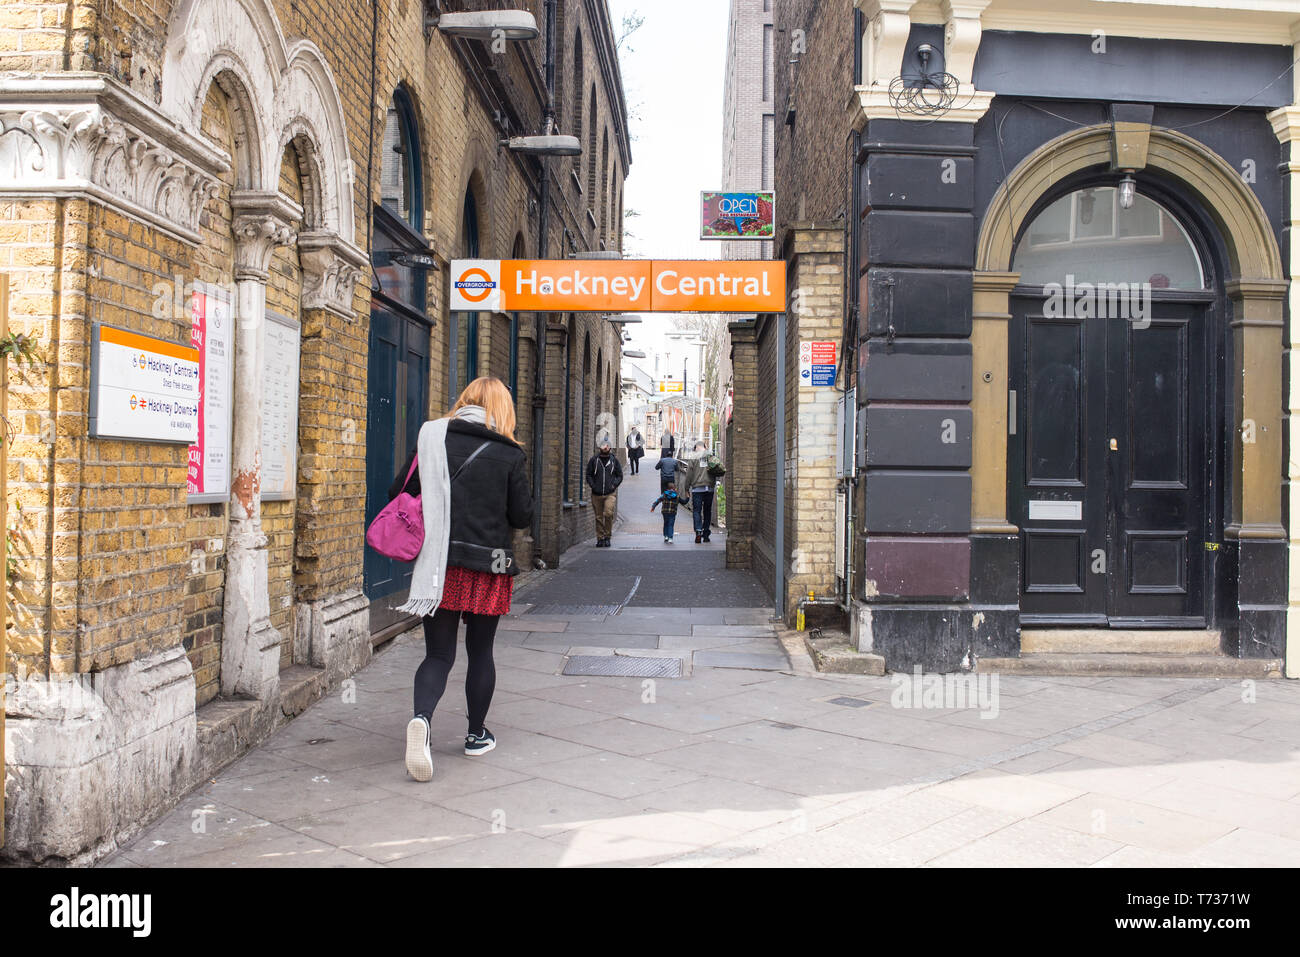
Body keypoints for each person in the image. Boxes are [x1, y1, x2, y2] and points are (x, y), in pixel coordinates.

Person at [390, 376, 532, 782]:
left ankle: (422, 719)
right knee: (480, 651)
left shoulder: (432, 438)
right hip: (490, 566)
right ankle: (475, 735)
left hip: (441, 565)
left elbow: (397, 490)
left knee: (438, 655)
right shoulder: (509, 453)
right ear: (503, 410)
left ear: (465, 400)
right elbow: (522, 516)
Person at [681, 440, 723, 544]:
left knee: (697, 511)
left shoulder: (694, 457)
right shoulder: (711, 456)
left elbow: (689, 475)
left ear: (696, 448)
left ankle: (698, 531)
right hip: (709, 488)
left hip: (697, 489)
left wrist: (686, 489)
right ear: (705, 446)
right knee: (707, 511)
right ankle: (706, 534)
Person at [585, 437, 622, 547]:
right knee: (598, 517)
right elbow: (589, 474)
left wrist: (613, 485)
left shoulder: (614, 460)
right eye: (603, 445)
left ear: (609, 447)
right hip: (596, 494)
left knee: (608, 513)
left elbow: (619, 475)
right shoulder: (594, 460)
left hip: (610, 493)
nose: (605, 447)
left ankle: (607, 537)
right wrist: (593, 486)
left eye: (607, 445)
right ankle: (600, 538)